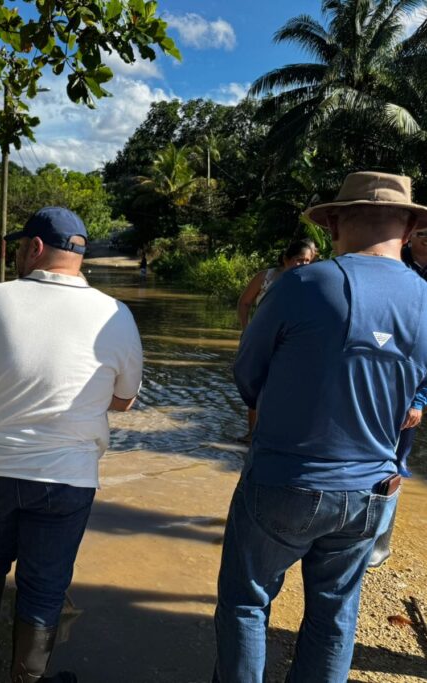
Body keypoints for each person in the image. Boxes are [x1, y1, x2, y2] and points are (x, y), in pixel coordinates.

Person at [213, 171, 427, 683]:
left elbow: (248, 371)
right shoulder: (424, 297)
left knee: (247, 601)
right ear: (409, 226)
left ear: (333, 221)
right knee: (335, 615)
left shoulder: (304, 283)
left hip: (286, 480)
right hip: (374, 490)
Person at [0, 207, 143, 683]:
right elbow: (123, 402)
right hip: (68, 477)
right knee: (44, 583)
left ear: (35, 248)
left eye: (20, 246)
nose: (17, 253)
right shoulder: (115, 313)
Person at [369, 225, 427, 567]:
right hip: (377, 373)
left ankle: (379, 544)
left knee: (396, 461)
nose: (425, 239)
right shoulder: (391, 264)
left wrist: (420, 399)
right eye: (420, 232)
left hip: (412, 381)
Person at [235, 240, 314, 441]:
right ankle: (253, 433)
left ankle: (276, 433)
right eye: (299, 260)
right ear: (286, 259)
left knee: (285, 385)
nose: (303, 265)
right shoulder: (266, 277)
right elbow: (244, 303)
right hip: (262, 338)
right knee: (256, 382)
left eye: (307, 261)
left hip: (292, 340)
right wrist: (246, 329)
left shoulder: (310, 280)